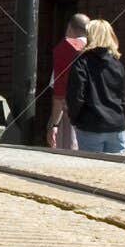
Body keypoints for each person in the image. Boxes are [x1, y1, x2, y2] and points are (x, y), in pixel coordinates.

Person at [68, 18, 125, 154]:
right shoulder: (118, 64)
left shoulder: (81, 62)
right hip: (117, 126)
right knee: (116, 167)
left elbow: (76, 96)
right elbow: (123, 98)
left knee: (91, 167)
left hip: (91, 126)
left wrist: (75, 119)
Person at [47, 13, 90, 150]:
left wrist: (54, 124)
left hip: (70, 116)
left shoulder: (66, 49)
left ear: (69, 28)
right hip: (101, 119)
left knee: (66, 155)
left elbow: (59, 93)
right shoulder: (101, 50)